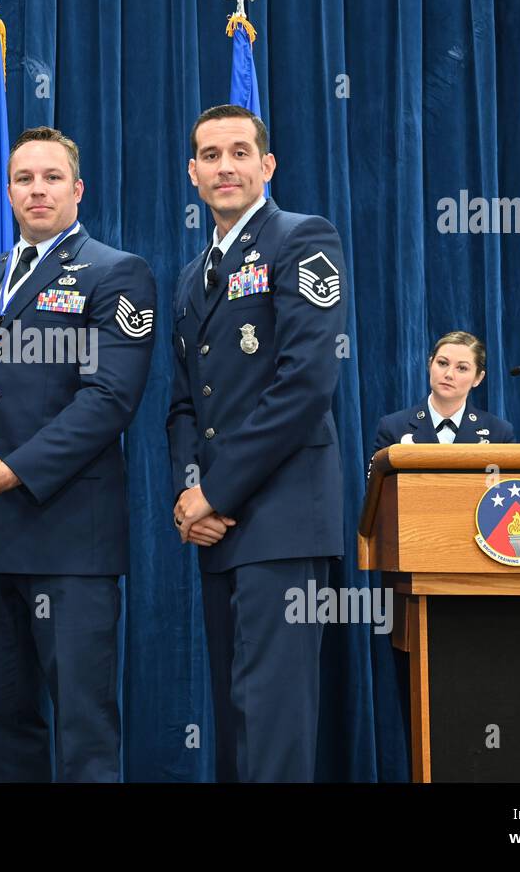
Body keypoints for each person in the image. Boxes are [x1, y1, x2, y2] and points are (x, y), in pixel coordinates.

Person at [0, 127, 156, 782]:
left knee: (84, 731)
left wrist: (15, 470)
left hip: (70, 545)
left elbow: (109, 401)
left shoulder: (118, 274)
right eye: (24, 178)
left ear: (77, 189)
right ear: (8, 191)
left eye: (51, 177)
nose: (37, 189)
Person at [166, 104, 347, 782]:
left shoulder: (304, 239)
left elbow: (305, 385)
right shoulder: (193, 274)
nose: (225, 167)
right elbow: (186, 402)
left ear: (267, 165)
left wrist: (216, 490)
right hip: (218, 526)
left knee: (275, 721)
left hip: (281, 519)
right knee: (237, 717)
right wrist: (190, 492)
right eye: (210, 156)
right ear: (192, 172)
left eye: (240, 152)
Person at [370, 331, 515, 455]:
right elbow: (378, 487)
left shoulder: (499, 433)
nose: (449, 374)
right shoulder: (393, 428)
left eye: (462, 368)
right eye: (443, 363)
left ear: (478, 378)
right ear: (430, 364)